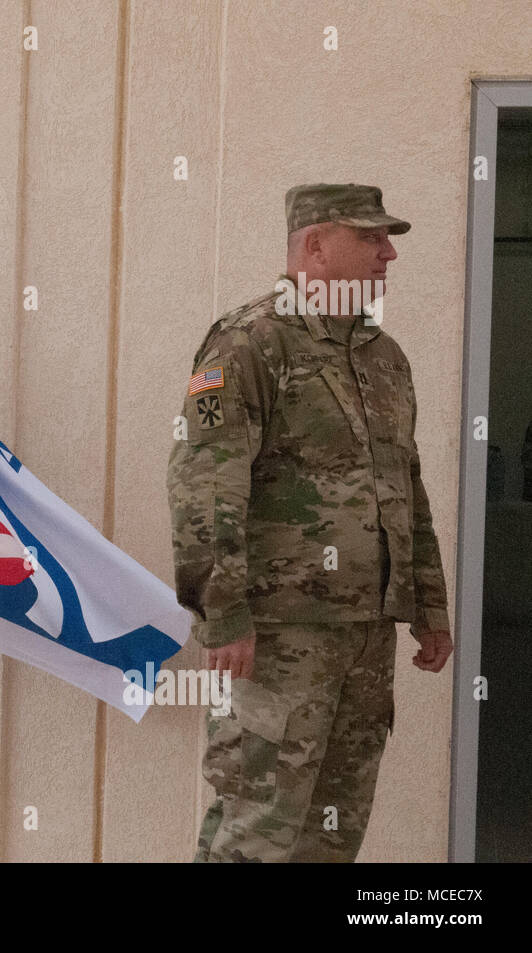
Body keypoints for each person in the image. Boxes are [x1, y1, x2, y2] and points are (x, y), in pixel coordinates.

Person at [167, 183, 453, 862]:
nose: (389, 253)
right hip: (279, 634)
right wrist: (224, 611)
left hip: (364, 636)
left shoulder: (385, 359)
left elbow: (406, 487)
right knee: (257, 828)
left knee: (333, 831)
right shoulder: (251, 342)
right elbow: (204, 480)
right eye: (372, 237)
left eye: (389, 239)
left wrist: (429, 603)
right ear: (315, 245)